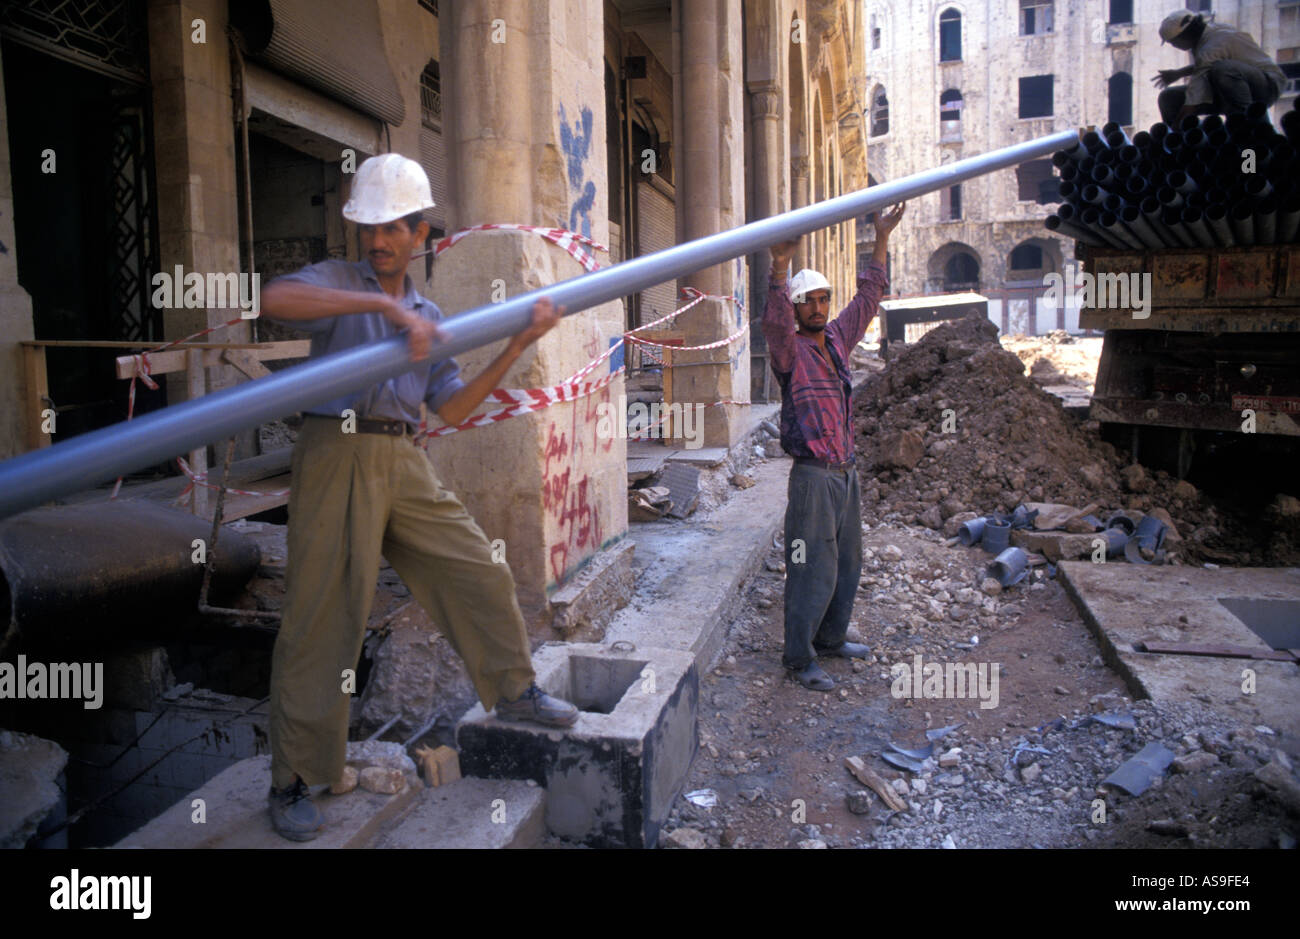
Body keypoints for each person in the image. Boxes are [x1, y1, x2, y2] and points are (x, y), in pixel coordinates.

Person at [259, 153, 579, 841]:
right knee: (323, 614)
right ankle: (292, 778)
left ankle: (514, 691)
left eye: (391, 229)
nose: (377, 242)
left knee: (477, 566)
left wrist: (516, 344)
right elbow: (275, 301)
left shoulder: (430, 315)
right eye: (368, 229)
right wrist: (376, 304)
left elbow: (454, 408)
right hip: (335, 447)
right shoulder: (339, 282)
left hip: (401, 454)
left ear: (420, 232)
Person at [763, 203, 905, 692]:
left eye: (824, 299)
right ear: (797, 307)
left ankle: (830, 638)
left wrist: (881, 236)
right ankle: (798, 657)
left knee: (846, 562)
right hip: (813, 477)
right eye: (809, 302)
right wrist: (779, 269)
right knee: (808, 565)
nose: (819, 308)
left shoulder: (837, 342)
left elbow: (868, 299)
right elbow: (776, 323)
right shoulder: (791, 350)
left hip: (845, 473)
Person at [1152, 9, 1285, 125]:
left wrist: (1174, 129)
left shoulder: (1210, 48)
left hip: (1268, 85)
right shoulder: (1210, 33)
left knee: (1223, 70)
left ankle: (1244, 124)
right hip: (1239, 84)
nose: (1174, 47)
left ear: (1182, 38)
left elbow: (1195, 98)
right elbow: (1205, 65)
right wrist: (1178, 73)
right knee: (1169, 97)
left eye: (1172, 43)